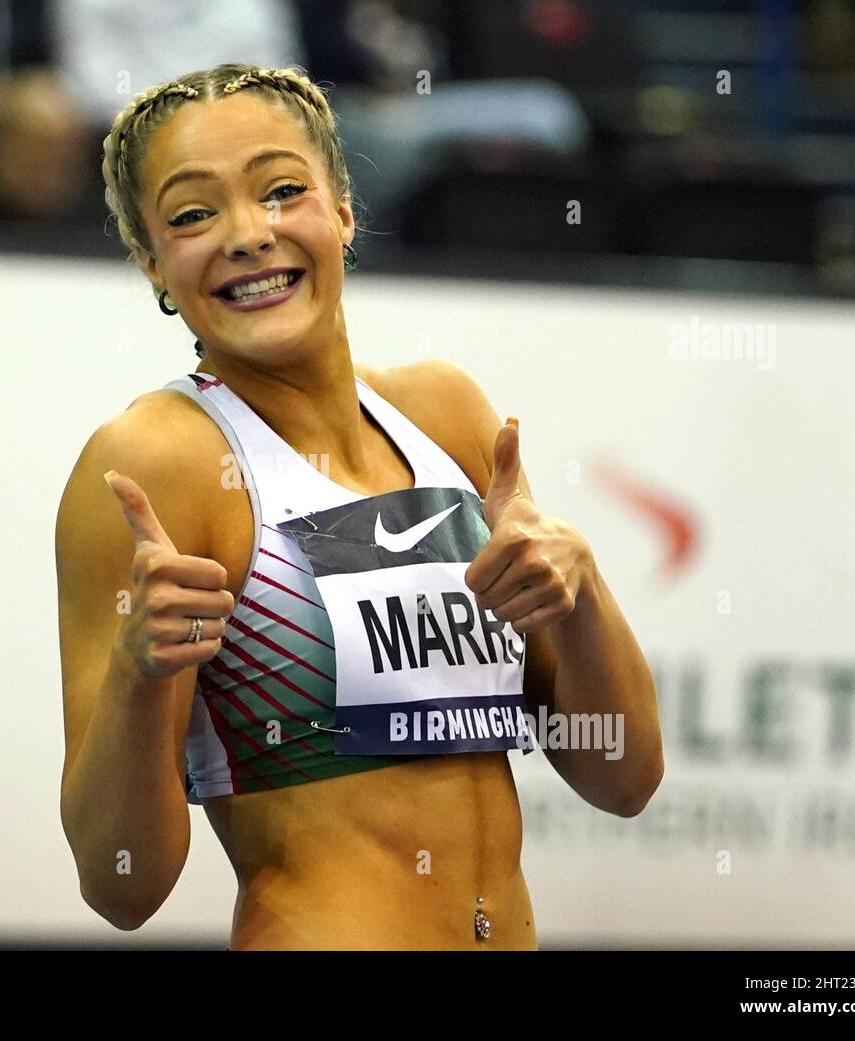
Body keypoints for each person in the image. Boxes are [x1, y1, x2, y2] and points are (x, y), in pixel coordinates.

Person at [55, 62, 663, 950]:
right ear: (152, 261)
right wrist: (139, 675)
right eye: (192, 214)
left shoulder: (445, 414)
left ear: (342, 208)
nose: (247, 234)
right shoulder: (158, 462)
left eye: (282, 190)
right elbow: (121, 884)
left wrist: (582, 595)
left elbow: (625, 777)